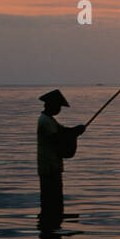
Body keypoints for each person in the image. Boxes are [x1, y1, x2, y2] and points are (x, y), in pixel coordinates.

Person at [37, 90, 85, 226]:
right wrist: (75, 133)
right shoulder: (45, 121)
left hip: (53, 166)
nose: (59, 110)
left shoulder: (50, 120)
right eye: (58, 106)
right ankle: (51, 221)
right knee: (51, 198)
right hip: (48, 167)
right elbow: (58, 138)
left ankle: (54, 219)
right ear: (50, 105)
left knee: (55, 198)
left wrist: (76, 130)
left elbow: (64, 131)